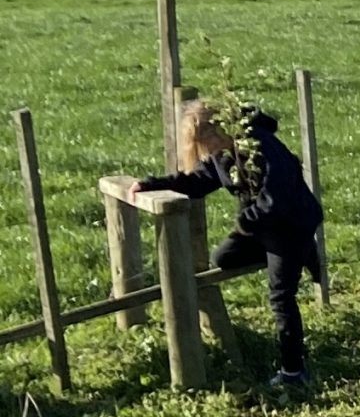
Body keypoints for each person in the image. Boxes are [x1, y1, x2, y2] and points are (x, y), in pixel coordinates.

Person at [128, 99, 324, 386]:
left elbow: (276, 200)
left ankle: (294, 372)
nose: (206, 151)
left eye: (205, 142)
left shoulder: (262, 146)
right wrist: (152, 184)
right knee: (223, 259)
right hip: (261, 225)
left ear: (218, 131)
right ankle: (294, 257)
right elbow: (197, 182)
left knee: (281, 297)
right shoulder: (224, 154)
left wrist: (246, 223)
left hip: (290, 225)